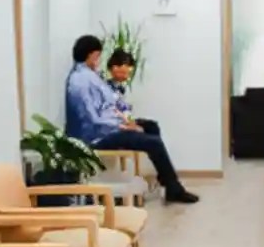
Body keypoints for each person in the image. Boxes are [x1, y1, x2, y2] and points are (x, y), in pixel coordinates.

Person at [65, 35, 199, 204]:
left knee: (151, 127)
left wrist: (126, 121)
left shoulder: (87, 75)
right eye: (98, 56)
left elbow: (106, 105)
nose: (98, 61)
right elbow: (92, 118)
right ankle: (173, 188)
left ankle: (167, 181)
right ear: (91, 55)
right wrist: (122, 126)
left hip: (107, 127)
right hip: (97, 136)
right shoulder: (80, 81)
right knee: (153, 142)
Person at [106, 50, 161, 137]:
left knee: (152, 126)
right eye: (124, 72)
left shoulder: (121, 89)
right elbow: (111, 112)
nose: (127, 76)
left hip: (126, 120)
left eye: (128, 73)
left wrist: (131, 121)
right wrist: (129, 124)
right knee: (149, 135)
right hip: (117, 125)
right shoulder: (106, 89)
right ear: (114, 68)